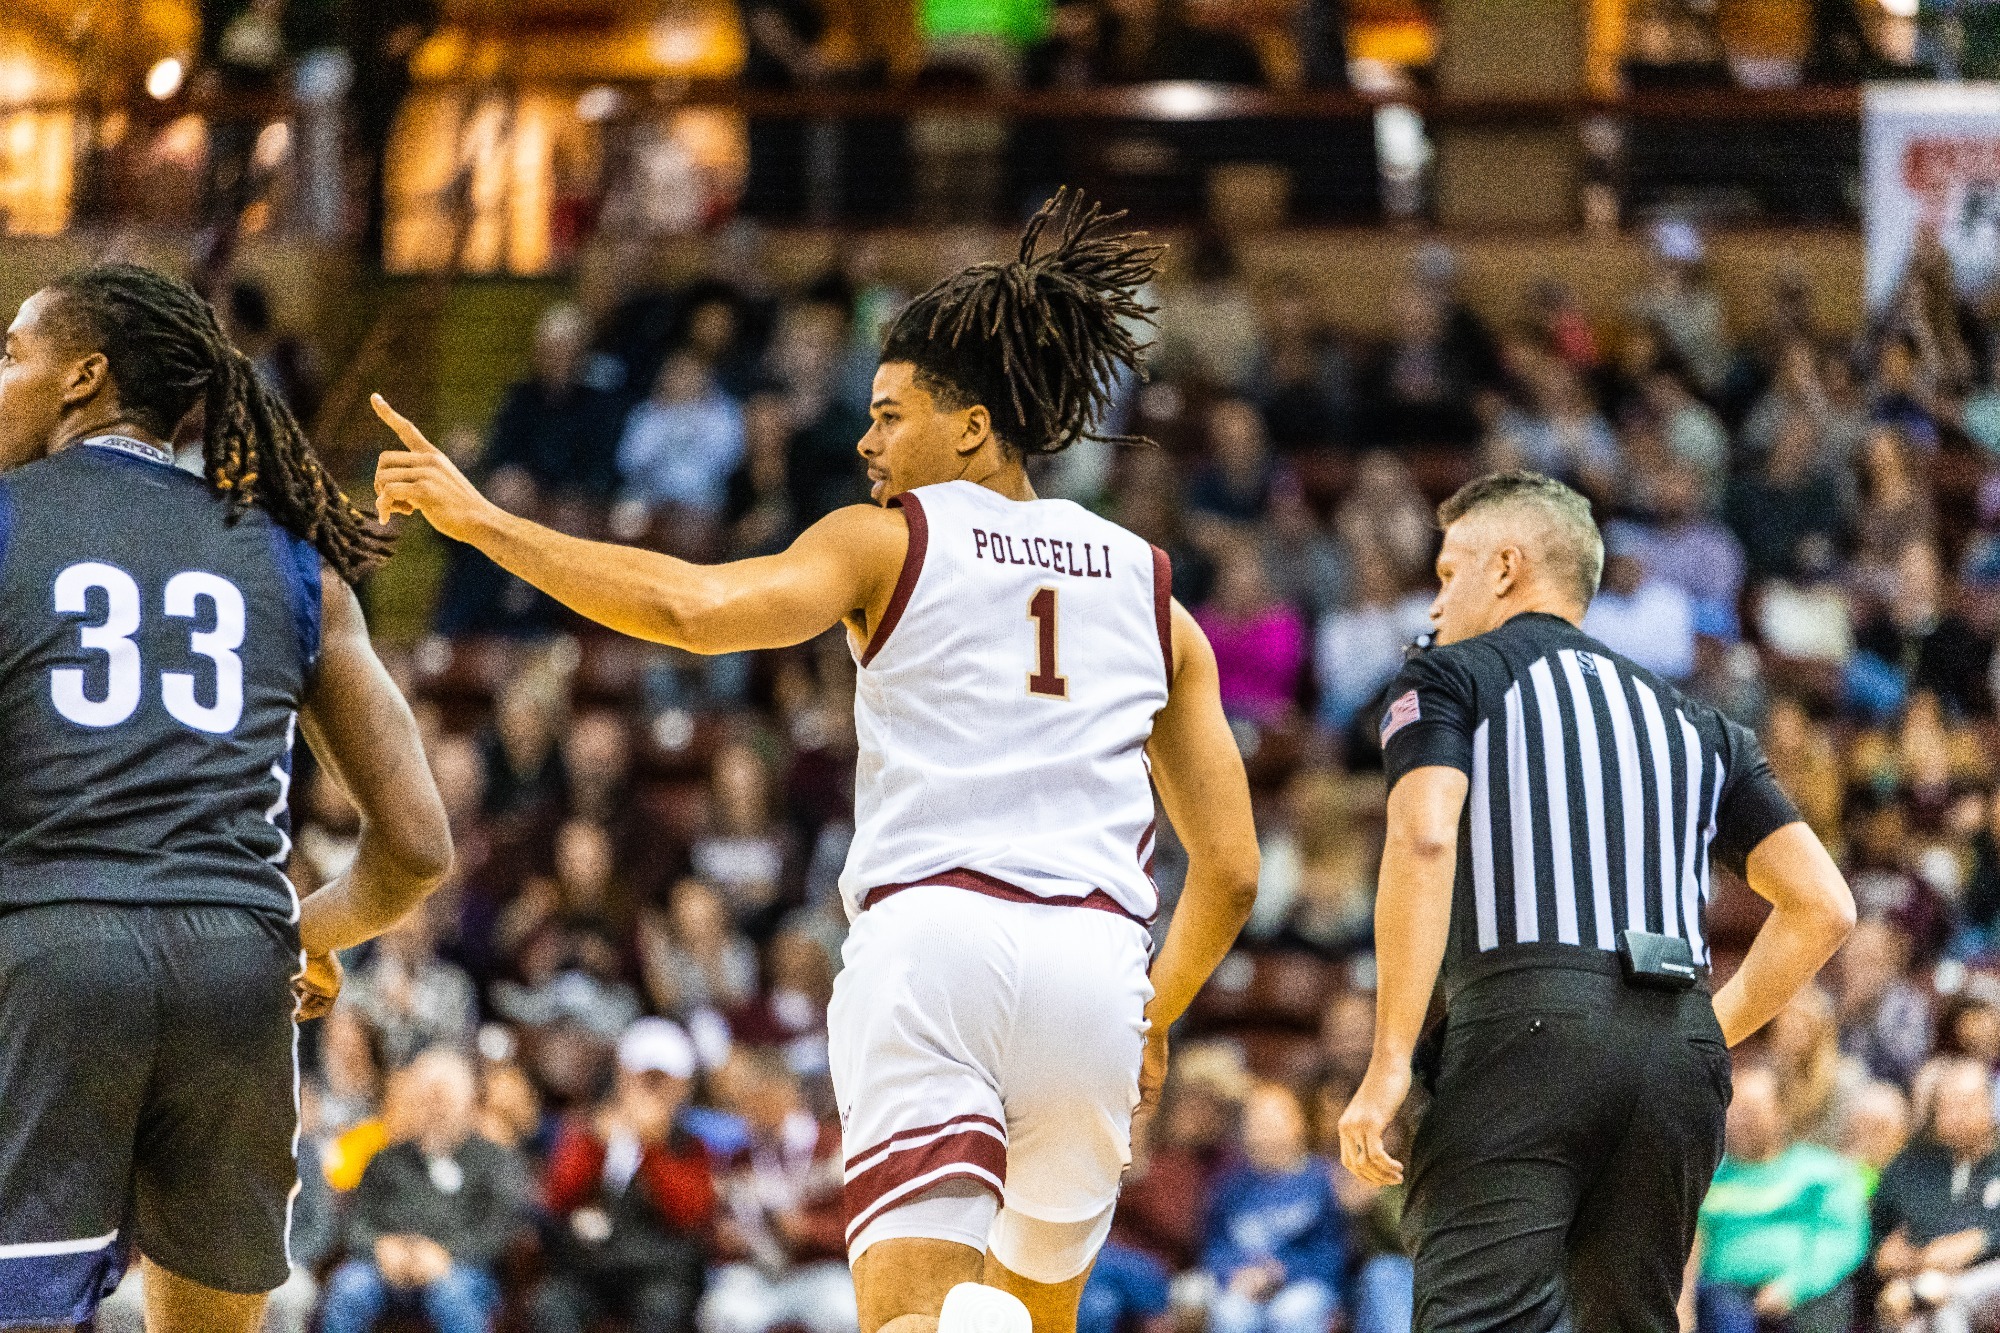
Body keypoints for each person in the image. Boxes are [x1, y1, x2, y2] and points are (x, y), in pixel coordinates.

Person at [372, 190, 1260, 1333]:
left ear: (973, 429)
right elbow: (1227, 868)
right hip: (1095, 964)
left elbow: (688, 609)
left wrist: (490, 523)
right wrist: (1151, 1017)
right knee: (1030, 1317)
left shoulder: (884, 538)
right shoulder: (1151, 589)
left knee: (906, 1315)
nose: (865, 440)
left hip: (934, 944)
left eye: (889, 415)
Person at [0, 264, 452, 1332]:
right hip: (237, 964)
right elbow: (419, 845)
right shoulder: (289, 549)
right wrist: (300, 933)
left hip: (56, 949)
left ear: (83, 379)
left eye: (12, 353)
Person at [1337, 470, 1856, 1332]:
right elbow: (1824, 906)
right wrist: (1702, 1034)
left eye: (1447, 572)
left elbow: (1424, 837)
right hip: (1676, 1044)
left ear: (1505, 566)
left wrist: (1390, 1060)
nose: (1435, 603)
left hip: (1523, 1028)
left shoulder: (1446, 677)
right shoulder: (1697, 719)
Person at [318, 1049, 534, 1333]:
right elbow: (355, 1221)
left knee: (452, 1295)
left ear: (468, 1102)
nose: (436, 1107)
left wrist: (444, 1254)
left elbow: (502, 1229)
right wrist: (380, 1248)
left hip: (462, 1267)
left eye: (444, 1097)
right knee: (348, 1287)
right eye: (427, 1097)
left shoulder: (496, 1161)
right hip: (386, 1266)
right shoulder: (385, 1159)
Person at [531, 1018, 719, 1333]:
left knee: (664, 1309)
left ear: (682, 1086)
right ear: (622, 1075)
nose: (650, 1091)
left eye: (660, 1081)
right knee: (550, 1305)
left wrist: (653, 1147)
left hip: (660, 1271)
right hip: (590, 1268)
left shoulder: (689, 1144)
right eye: (644, 1079)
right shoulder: (588, 1130)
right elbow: (558, 1198)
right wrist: (596, 1143)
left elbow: (689, 1213)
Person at [1695, 1066, 1870, 1333]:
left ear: (1781, 1113)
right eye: (1732, 1110)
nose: (1739, 1120)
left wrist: (1794, 1285)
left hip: (1805, 1296)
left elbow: (1842, 1240)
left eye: (1751, 1111)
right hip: (1720, 1297)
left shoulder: (1821, 1173)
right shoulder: (1703, 1178)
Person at [702, 1048, 856, 1333]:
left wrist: (808, 1229)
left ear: (787, 1093)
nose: (750, 1109)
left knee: (843, 1310)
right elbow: (719, 1227)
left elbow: (856, 1225)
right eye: (746, 1099)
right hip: (761, 1276)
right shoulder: (739, 1159)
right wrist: (726, 1241)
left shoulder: (831, 1146)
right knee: (723, 1312)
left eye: (760, 1095)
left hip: (817, 1272)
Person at [1199, 1081, 1348, 1333]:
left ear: (1298, 1122)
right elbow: (1213, 1247)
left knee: (1291, 1312)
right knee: (1231, 1314)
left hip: (1305, 1285)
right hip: (1242, 1284)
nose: (1265, 1129)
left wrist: (1281, 1272)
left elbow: (1335, 1254)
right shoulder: (1230, 1185)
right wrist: (1234, 1274)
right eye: (1256, 1120)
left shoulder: (1324, 1180)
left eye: (1275, 1118)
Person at [1875, 1059, 2000, 1333]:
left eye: (1968, 1104)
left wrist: (1985, 1239)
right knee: (1903, 1315)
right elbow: (1879, 1234)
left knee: (1945, 1302)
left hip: (1987, 1279)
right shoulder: (1909, 1166)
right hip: (1917, 1280)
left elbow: (1974, 1242)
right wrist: (1884, 1255)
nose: (1959, 1115)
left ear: (1990, 1106)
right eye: (1949, 1106)